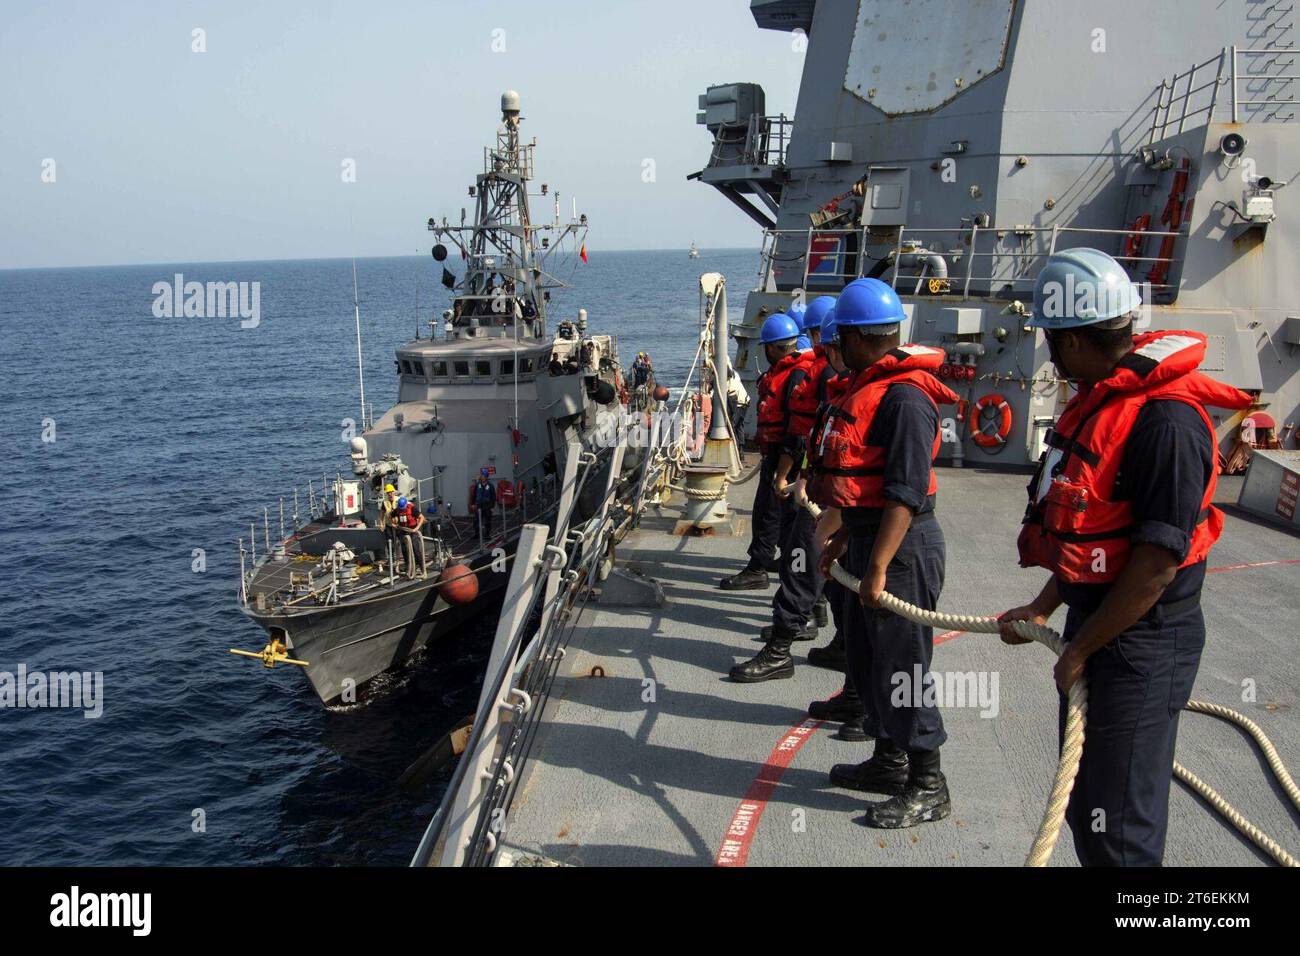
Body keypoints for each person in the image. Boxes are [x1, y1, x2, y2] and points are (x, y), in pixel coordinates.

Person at [997, 248, 1252, 865]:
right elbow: (1093, 540)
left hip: (1142, 642)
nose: (1052, 356)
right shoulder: (1102, 402)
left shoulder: (1166, 424)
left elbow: (1157, 563)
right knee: (1090, 806)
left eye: (1054, 342)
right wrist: (1044, 603)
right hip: (1101, 622)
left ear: (1078, 342)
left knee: (1120, 831)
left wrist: (1081, 649)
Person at [816, 277, 958, 829]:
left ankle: (928, 782)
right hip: (872, 538)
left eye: (840, 340)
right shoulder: (868, 389)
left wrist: (876, 564)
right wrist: (848, 537)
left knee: (905, 667)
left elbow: (904, 489)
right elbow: (869, 492)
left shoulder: (904, 399)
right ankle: (888, 760)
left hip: (903, 548)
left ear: (856, 338)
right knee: (869, 659)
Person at [730, 309, 822, 682]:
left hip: (796, 472)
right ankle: (811, 615)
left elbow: (798, 431)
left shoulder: (800, 373)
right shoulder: (808, 371)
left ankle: (794, 632)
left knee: (797, 546)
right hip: (794, 467)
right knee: (794, 543)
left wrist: (787, 474)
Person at [798, 301, 869, 740]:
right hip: (853, 528)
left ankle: (909, 764)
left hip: (880, 535)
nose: (826, 353)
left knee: (892, 648)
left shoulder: (892, 399)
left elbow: (895, 489)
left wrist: (837, 530)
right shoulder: (848, 391)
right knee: (855, 623)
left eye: (832, 345)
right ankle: (856, 697)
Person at [717, 313, 807, 592]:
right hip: (783, 457)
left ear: (771, 347)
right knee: (779, 517)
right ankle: (785, 568)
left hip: (786, 459)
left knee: (771, 515)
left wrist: (782, 472)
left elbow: (796, 429)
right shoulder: (793, 372)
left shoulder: (794, 376)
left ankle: (760, 570)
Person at [394, 496, 426, 579]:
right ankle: (408, 566)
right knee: (404, 549)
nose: (402, 509)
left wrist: (417, 528)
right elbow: (391, 515)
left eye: (403, 507)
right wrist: (393, 524)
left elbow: (422, 517)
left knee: (415, 549)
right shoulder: (397, 510)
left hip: (412, 531)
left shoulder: (412, 509)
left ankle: (421, 567)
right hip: (403, 531)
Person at [473, 469, 497, 541]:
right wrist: (474, 504)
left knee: (487, 521)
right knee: (476, 520)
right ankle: (477, 534)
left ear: (487, 477)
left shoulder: (490, 485)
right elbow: (474, 494)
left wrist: (492, 506)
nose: (483, 477)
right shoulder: (478, 485)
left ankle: (487, 535)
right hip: (479, 505)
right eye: (482, 475)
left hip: (487, 506)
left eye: (484, 476)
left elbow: (493, 496)